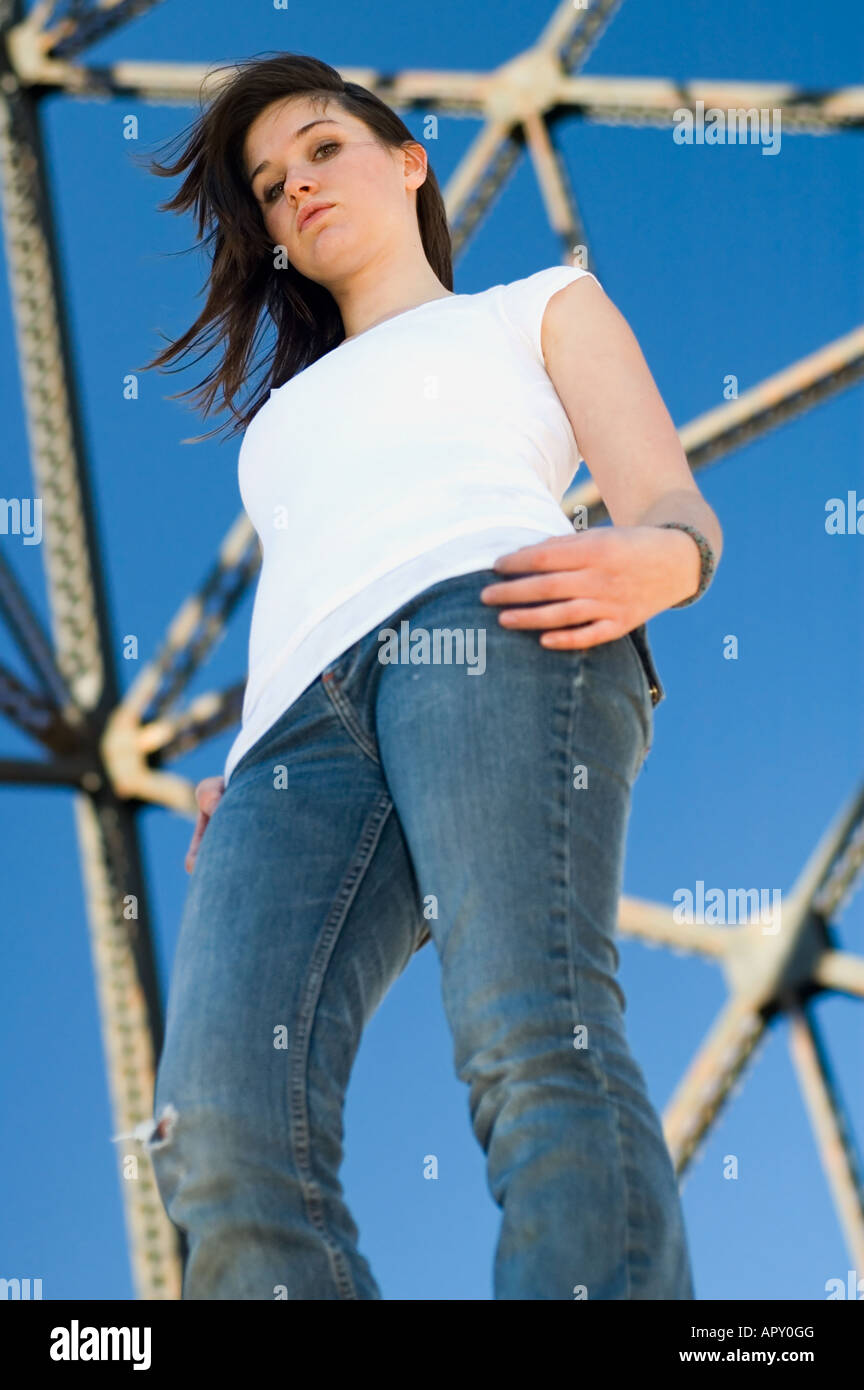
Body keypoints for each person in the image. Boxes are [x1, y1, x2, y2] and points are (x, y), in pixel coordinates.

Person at [138, 51, 722, 1300]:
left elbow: (668, 497)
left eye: (322, 147)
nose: (296, 185)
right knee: (216, 1123)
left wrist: (670, 562)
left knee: (533, 1038)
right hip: (289, 742)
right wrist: (236, 764)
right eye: (269, 182)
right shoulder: (276, 429)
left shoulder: (537, 306)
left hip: (499, 621)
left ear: (410, 159)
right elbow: (310, 582)